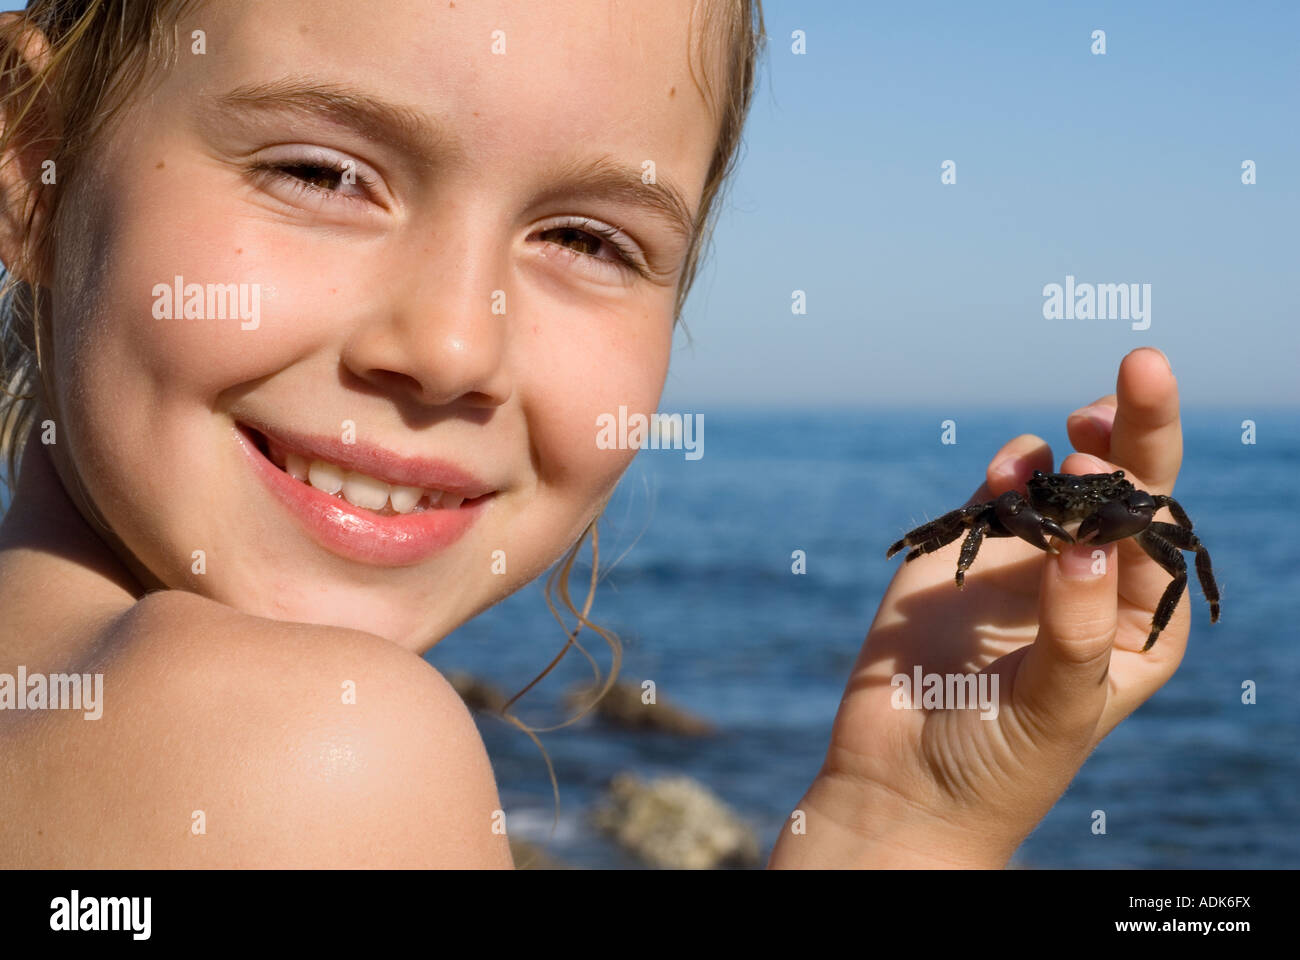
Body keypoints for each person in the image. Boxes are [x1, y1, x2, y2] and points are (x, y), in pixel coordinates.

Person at [0, 0, 1197, 868]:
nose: (455, 347)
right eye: (321, 171)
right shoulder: (317, 755)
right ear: (31, 164)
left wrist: (898, 823)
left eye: (585, 240)